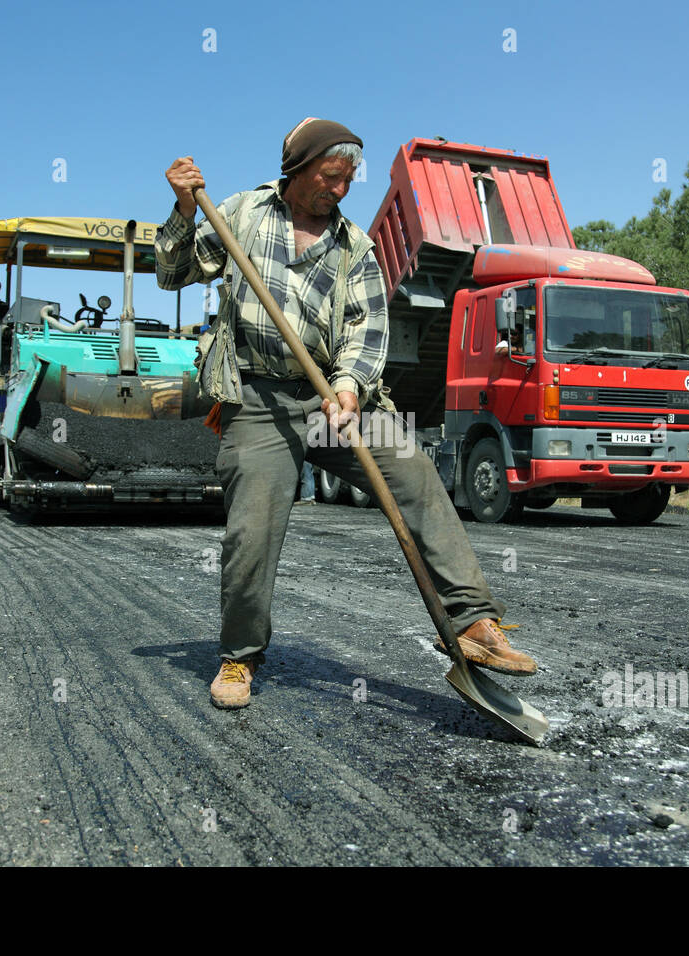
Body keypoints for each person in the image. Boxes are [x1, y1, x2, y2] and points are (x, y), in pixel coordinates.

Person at [158, 117, 537, 711]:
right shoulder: (241, 214)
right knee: (253, 529)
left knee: (413, 471)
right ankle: (240, 654)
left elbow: (366, 330)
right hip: (257, 399)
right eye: (330, 177)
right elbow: (171, 272)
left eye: (348, 179)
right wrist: (184, 209)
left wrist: (350, 387)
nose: (339, 189)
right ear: (297, 170)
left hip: (330, 397)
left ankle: (472, 624)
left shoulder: (355, 248)